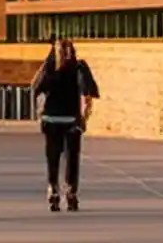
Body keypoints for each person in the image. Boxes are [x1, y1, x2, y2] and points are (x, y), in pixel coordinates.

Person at [30, 37, 100, 212]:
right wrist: (84, 117)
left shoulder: (50, 67)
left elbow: (36, 88)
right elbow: (87, 95)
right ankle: (70, 191)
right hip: (70, 120)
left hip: (53, 119)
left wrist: (39, 114)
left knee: (53, 158)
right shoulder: (78, 67)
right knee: (71, 158)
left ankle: (54, 188)